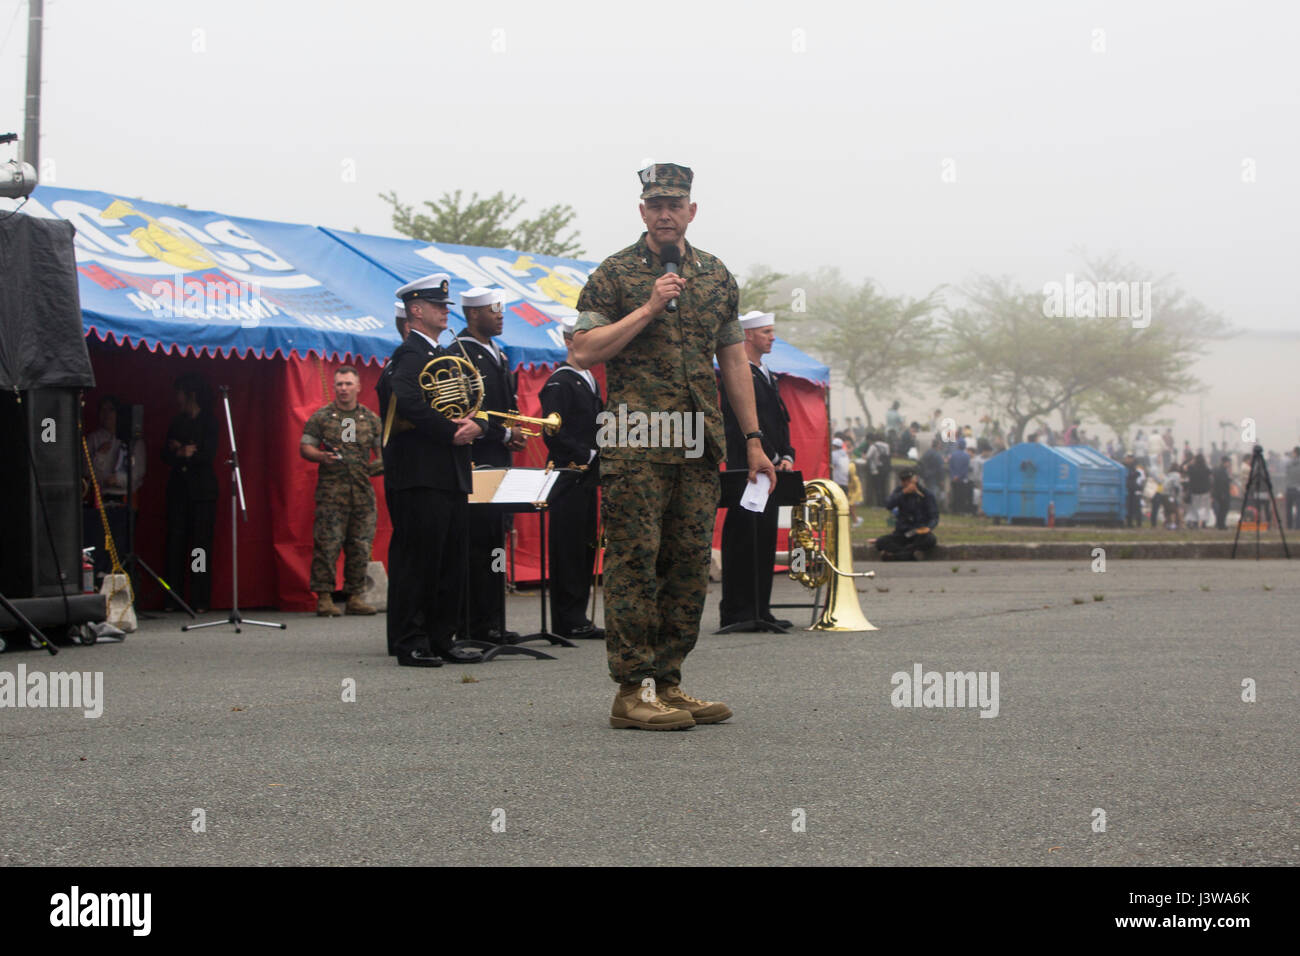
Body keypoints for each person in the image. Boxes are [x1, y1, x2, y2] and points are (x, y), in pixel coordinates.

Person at [571, 161, 774, 731]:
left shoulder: (715, 275)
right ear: (642, 212)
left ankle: (670, 682)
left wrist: (753, 440)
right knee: (634, 563)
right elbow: (584, 351)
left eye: (674, 204)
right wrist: (648, 307)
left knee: (685, 565)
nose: (665, 213)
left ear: (691, 211)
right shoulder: (614, 274)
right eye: (655, 205)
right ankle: (630, 691)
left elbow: (734, 360)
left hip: (697, 444)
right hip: (636, 442)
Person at [377, 273, 483, 667]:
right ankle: (411, 640)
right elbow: (404, 399)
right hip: (420, 474)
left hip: (448, 473)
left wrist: (478, 426)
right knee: (419, 560)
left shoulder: (442, 356)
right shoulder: (409, 356)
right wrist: (448, 432)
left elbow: (474, 400)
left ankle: (442, 637)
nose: (445, 311)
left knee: (449, 560)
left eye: (445, 305)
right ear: (416, 311)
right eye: (438, 306)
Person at [454, 287, 525, 644]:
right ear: (472, 315)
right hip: (477, 459)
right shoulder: (461, 353)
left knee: (496, 542)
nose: (500, 315)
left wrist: (510, 433)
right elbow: (466, 409)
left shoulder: (496, 352)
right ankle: (474, 621)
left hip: (498, 458)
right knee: (478, 543)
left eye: (501, 309)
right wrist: (502, 432)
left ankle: (494, 618)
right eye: (491, 310)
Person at [719, 310, 796, 630]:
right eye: (765, 332)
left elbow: (779, 421)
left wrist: (787, 454)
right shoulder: (739, 376)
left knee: (764, 537)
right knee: (743, 535)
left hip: (773, 468)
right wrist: (767, 453)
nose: (772, 337)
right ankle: (738, 609)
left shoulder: (767, 375)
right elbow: (739, 424)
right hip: (747, 468)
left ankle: (761, 607)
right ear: (748, 335)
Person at [539, 315, 605, 640]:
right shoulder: (561, 382)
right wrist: (586, 453)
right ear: (569, 341)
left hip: (589, 477)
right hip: (568, 473)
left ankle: (579, 613)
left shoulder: (589, 378)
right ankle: (567, 618)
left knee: (584, 546)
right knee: (567, 548)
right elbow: (552, 432)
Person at [300, 366, 384, 617]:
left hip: (361, 493)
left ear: (358, 387)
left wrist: (376, 466)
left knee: (360, 544)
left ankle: (355, 596)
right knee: (327, 543)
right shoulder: (322, 417)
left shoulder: (371, 419)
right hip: (331, 493)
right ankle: (324, 597)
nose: (343, 389)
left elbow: (383, 452)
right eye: (339, 384)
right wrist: (321, 456)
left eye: (348, 384)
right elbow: (305, 448)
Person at [161, 374, 219, 611]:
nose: (177, 399)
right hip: (178, 491)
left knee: (199, 547)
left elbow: (207, 454)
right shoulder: (177, 422)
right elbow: (165, 453)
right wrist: (180, 452)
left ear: (190, 395)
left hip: (202, 493)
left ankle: (199, 598)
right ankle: (172, 597)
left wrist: (187, 452)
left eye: (180, 394)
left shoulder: (210, 422)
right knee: (175, 544)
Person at [83, 395, 146, 583]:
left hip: (124, 501)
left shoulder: (133, 441)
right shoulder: (94, 439)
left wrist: (117, 479)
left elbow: (138, 473)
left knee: (121, 546)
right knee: (100, 547)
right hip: (101, 502)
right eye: (102, 410)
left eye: (110, 410)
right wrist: (100, 457)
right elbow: (87, 472)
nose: (106, 415)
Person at [873, 468, 939, 561]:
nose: (906, 483)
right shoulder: (900, 492)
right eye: (904, 481)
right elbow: (889, 505)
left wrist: (928, 527)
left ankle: (897, 555)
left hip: (918, 532)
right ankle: (908, 554)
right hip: (902, 532)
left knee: (930, 540)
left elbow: (934, 516)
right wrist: (903, 493)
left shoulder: (926, 494)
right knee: (881, 542)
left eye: (908, 481)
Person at [1185, 452, 1213, 529]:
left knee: (1194, 508)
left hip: (1194, 491)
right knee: (1204, 508)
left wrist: (1191, 462)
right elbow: (1210, 476)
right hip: (1205, 491)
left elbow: (1185, 468)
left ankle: (1194, 522)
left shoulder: (1191, 468)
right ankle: (1203, 522)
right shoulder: (1206, 469)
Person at [948, 439, 971, 514]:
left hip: (953, 479)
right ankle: (961, 510)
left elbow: (950, 467)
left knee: (954, 495)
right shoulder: (967, 456)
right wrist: (959, 476)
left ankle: (954, 510)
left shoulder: (953, 455)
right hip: (962, 480)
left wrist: (953, 476)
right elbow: (965, 469)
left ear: (958, 446)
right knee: (962, 496)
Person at [1212, 455, 1233, 530]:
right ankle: (1221, 524)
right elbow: (1221, 482)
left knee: (1222, 509)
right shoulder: (1221, 470)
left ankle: (1220, 524)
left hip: (1221, 492)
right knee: (1223, 509)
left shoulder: (1221, 470)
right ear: (1225, 462)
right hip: (1223, 493)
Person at [1123, 453, 1144, 528]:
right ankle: (1127, 522)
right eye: (1129, 458)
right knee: (1127, 506)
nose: (1130, 459)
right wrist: (1136, 474)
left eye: (1131, 458)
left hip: (1133, 490)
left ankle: (1131, 522)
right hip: (1126, 489)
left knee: (1133, 507)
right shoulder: (1123, 466)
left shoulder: (1133, 466)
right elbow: (1128, 476)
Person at [1286, 446, 1300, 530]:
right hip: (1298, 488)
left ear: (1295, 453)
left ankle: (1289, 526)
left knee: (1289, 509)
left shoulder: (1289, 463)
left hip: (1289, 487)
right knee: (1299, 509)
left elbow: (1287, 474)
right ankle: (1298, 526)